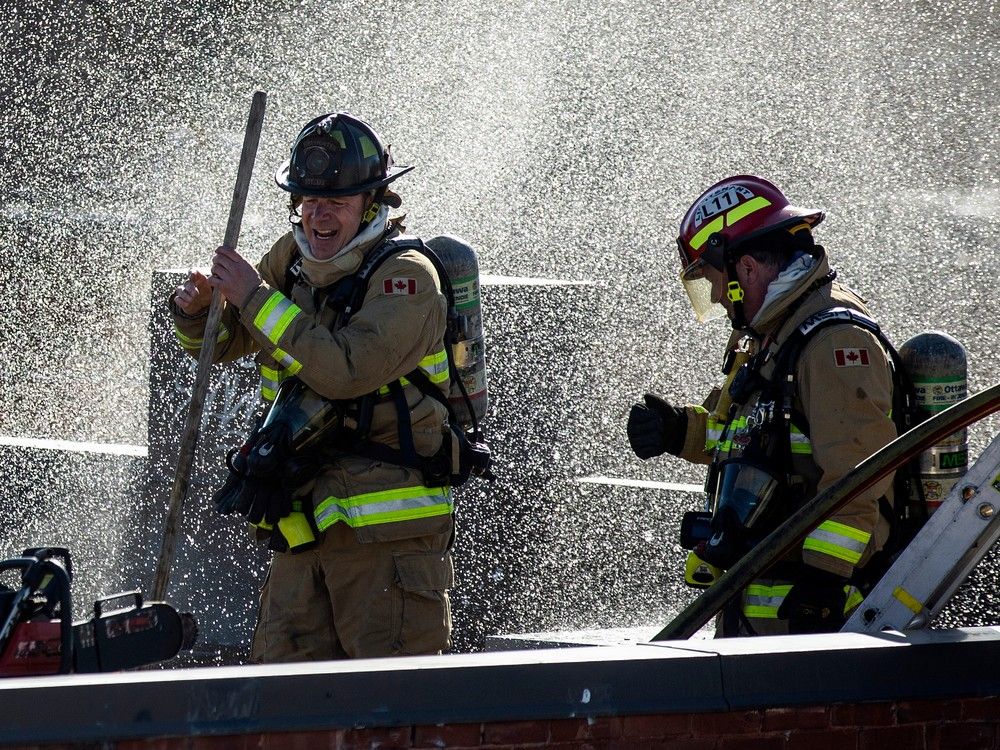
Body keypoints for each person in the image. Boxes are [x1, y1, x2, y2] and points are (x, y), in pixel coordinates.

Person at [170, 111, 456, 662]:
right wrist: (202, 314)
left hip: (386, 544)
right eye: (307, 201)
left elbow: (346, 372)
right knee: (282, 706)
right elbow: (229, 343)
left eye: (337, 203)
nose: (319, 215)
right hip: (301, 528)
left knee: (387, 712)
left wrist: (251, 296)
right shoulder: (291, 259)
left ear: (371, 205)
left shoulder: (408, 278)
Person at [627, 175, 897, 636]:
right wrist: (679, 431)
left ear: (747, 269)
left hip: (812, 619)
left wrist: (822, 584)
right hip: (758, 603)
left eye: (714, 280)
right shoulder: (771, 335)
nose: (714, 296)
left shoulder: (833, 342)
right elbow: (752, 436)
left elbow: (858, 474)